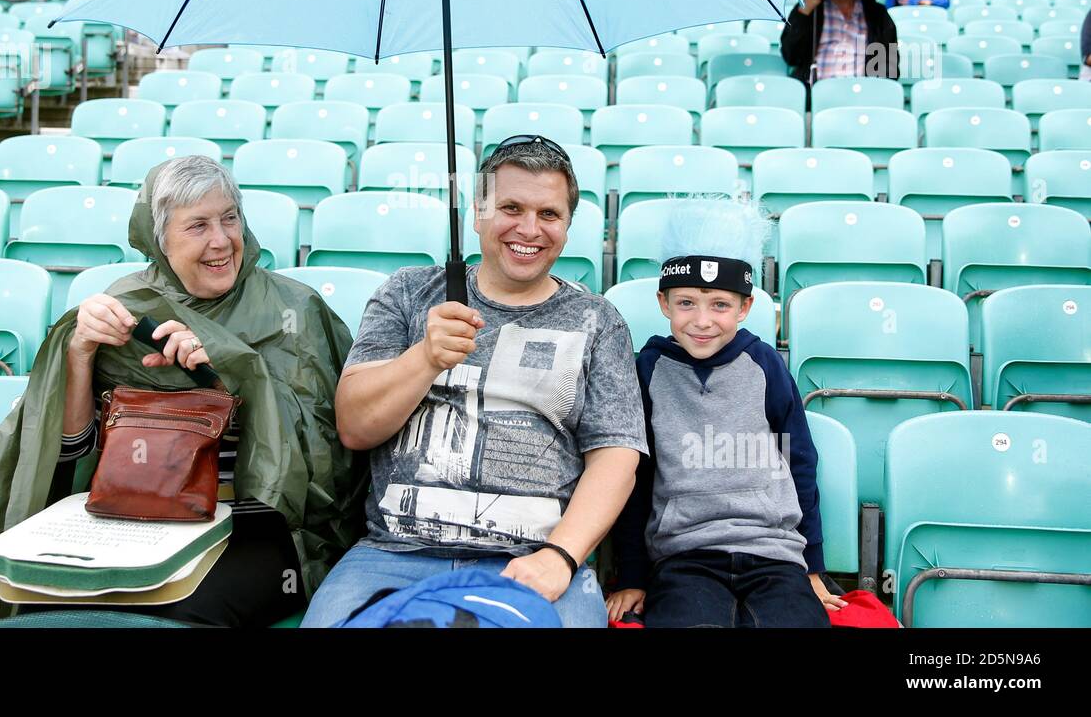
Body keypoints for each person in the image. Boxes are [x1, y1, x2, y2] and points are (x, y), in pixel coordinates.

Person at [0, 156, 366, 627]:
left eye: (230, 218)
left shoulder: (295, 312)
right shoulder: (126, 307)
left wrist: (232, 373)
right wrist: (79, 353)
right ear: (159, 239)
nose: (222, 240)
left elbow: (328, 462)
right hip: (128, 514)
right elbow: (70, 454)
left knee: (176, 614)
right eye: (198, 226)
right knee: (51, 607)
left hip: (257, 525)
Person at [301, 136, 649, 628]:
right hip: (395, 555)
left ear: (568, 227)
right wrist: (423, 359)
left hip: (535, 558)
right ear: (477, 214)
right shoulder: (407, 293)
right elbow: (356, 427)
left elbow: (616, 457)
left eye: (549, 214)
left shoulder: (598, 320)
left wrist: (561, 557)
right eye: (511, 207)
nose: (529, 229)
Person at [605, 200, 841, 628]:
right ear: (663, 302)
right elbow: (633, 477)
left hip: (773, 552)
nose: (702, 320)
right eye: (686, 303)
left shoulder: (765, 364)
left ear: (745, 307)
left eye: (719, 305)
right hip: (684, 555)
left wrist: (812, 565)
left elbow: (800, 462)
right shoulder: (649, 369)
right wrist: (633, 575)